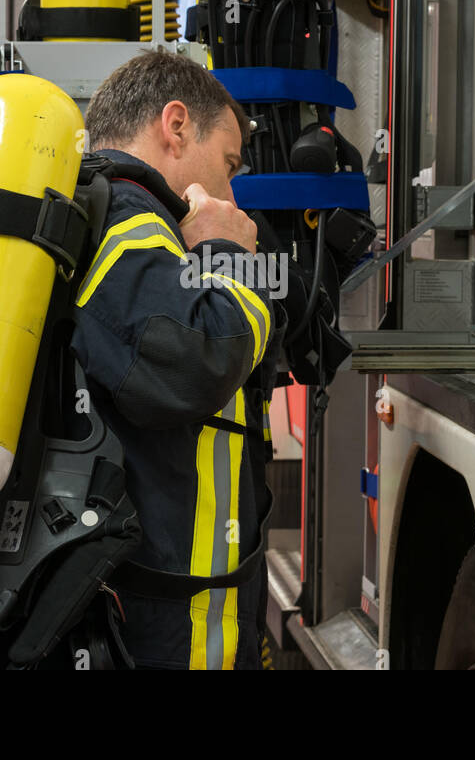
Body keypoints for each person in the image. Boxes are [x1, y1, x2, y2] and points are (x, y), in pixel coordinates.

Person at [72, 49, 281, 670]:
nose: (231, 190)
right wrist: (227, 249)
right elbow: (200, 362)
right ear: (176, 125)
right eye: (229, 162)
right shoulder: (130, 222)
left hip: (142, 598)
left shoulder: (94, 212)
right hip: (155, 621)